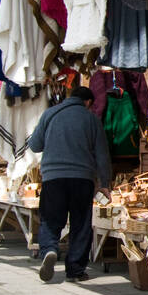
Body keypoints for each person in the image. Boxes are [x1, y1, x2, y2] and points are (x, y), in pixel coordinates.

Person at [28, 85, 111, 282]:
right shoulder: (91, 119)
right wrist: (105, 182)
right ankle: (75, 269)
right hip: (82, 178)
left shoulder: (49, 114)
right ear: (88, 102)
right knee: (81, 224)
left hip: (53, 176)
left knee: (50, 218)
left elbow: (34, 145)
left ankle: (49, 249)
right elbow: (101, 154)